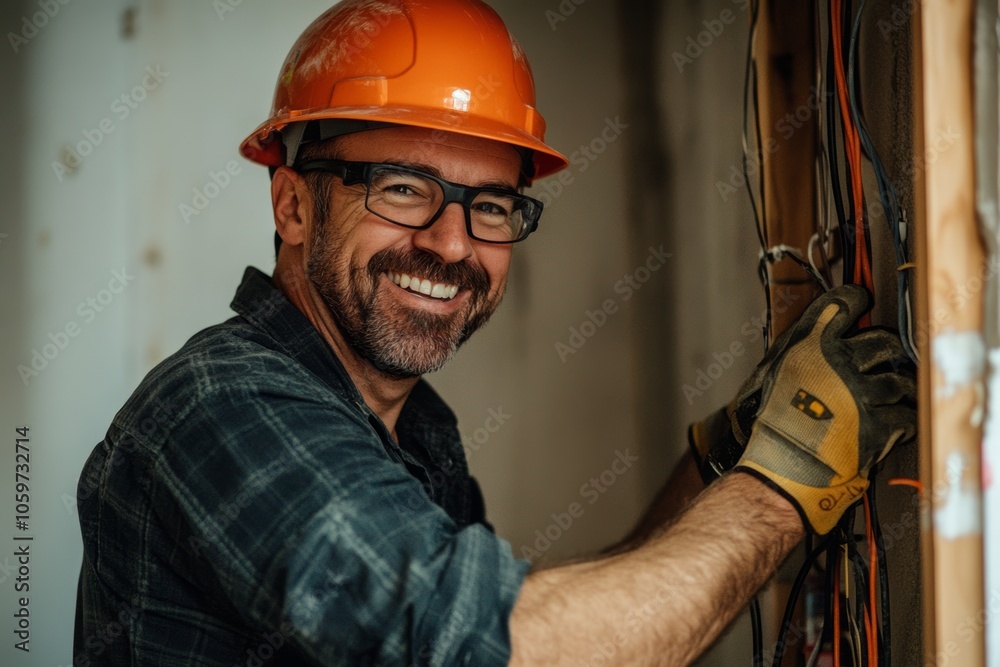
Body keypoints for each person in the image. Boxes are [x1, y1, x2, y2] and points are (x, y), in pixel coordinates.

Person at [73, 1, 917, 665]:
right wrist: (785, 480)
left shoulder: (414, 431)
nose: (451, 244)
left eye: (489, 205)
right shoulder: (223, 406)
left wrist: (722, 464)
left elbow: (544, 628)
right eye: (404, 188)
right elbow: (505, 649)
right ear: (293, 205)